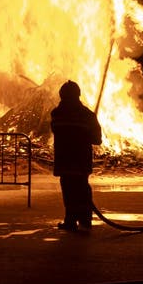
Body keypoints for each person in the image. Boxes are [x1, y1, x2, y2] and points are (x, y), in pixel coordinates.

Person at [50, 80, 102, 232]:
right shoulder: (88, 115)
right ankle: (85, 221)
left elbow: (56, 131)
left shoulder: (56, 113)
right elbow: (97, 140)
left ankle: (70, 221)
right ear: (78, 95)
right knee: (82, 190)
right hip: (81, 161)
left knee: (68, 191)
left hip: (64, 160)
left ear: (61, 95)